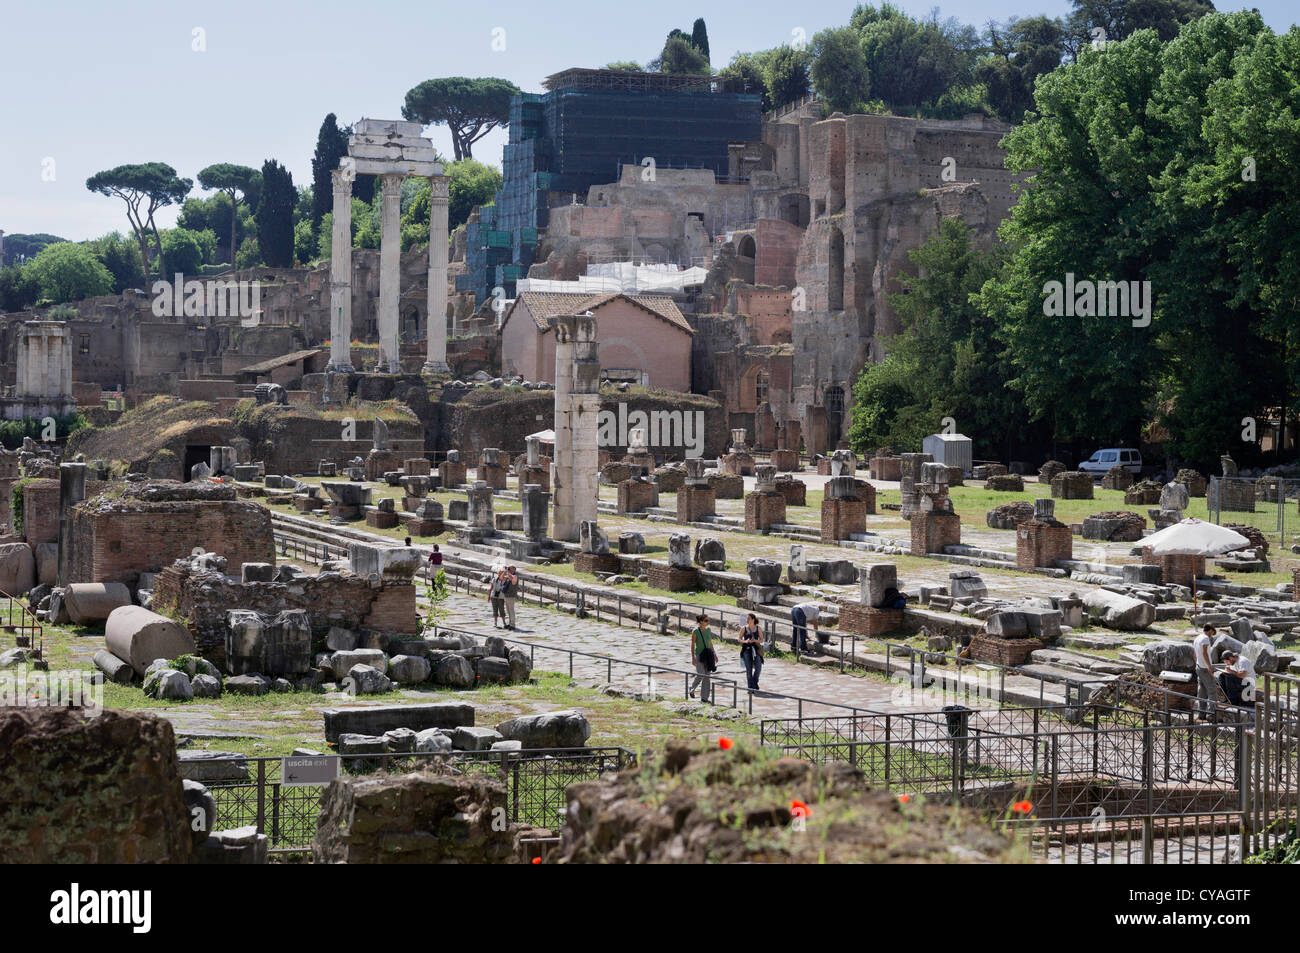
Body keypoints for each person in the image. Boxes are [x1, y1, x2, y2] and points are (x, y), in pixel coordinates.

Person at [1192, 624, 1219, 719]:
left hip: (1199, 667)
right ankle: (1211, 715)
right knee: (1212, 691)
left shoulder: (1197, 638)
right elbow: (1204, 653)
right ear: (1210, 630)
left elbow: (1195, 653)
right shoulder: (1205, 638)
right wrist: (1209, 667)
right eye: (1213, 632)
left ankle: (1201, 713)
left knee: (1202, 690)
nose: (1212, 635)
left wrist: (1197, 663)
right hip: (1204, 668)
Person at [688, 614, 715, 703]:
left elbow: (710, 642)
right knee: (701, 674)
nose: (708, 622)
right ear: (701, 622)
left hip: (708, 655)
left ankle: (704, 697)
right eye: (706, 620)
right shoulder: (695, 631)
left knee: (707, 676)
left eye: (708, 620)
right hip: (699, 655)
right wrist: (693, 657)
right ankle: (692, 688)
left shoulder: (708, 630)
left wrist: (714, 653)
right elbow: (692, 644)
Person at [739, 612, 763, 691]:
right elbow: (739, 639)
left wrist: (754, 640)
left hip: (756, 649)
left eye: (748, 618)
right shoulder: (744, 628)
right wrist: (745, 641)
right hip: (746, 650)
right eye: (746, 618)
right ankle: (750, 687)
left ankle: (754, 682)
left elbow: (762, 640)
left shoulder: (758, 628)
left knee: (758, 668)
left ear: (753, 619)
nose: (747, 620)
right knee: (748, 669)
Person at [503, 566, 519, 631]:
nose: (509, 569)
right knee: (508, 611)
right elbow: (501, 578)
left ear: (514, 570)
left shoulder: (515, 576)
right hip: (506, 595)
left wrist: (507, 572)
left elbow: (513, 580)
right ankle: (510, 623)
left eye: (510, 568)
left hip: (511, 596)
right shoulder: (508, 576)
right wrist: (505, 571)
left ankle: (513, 625)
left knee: (511, 611)